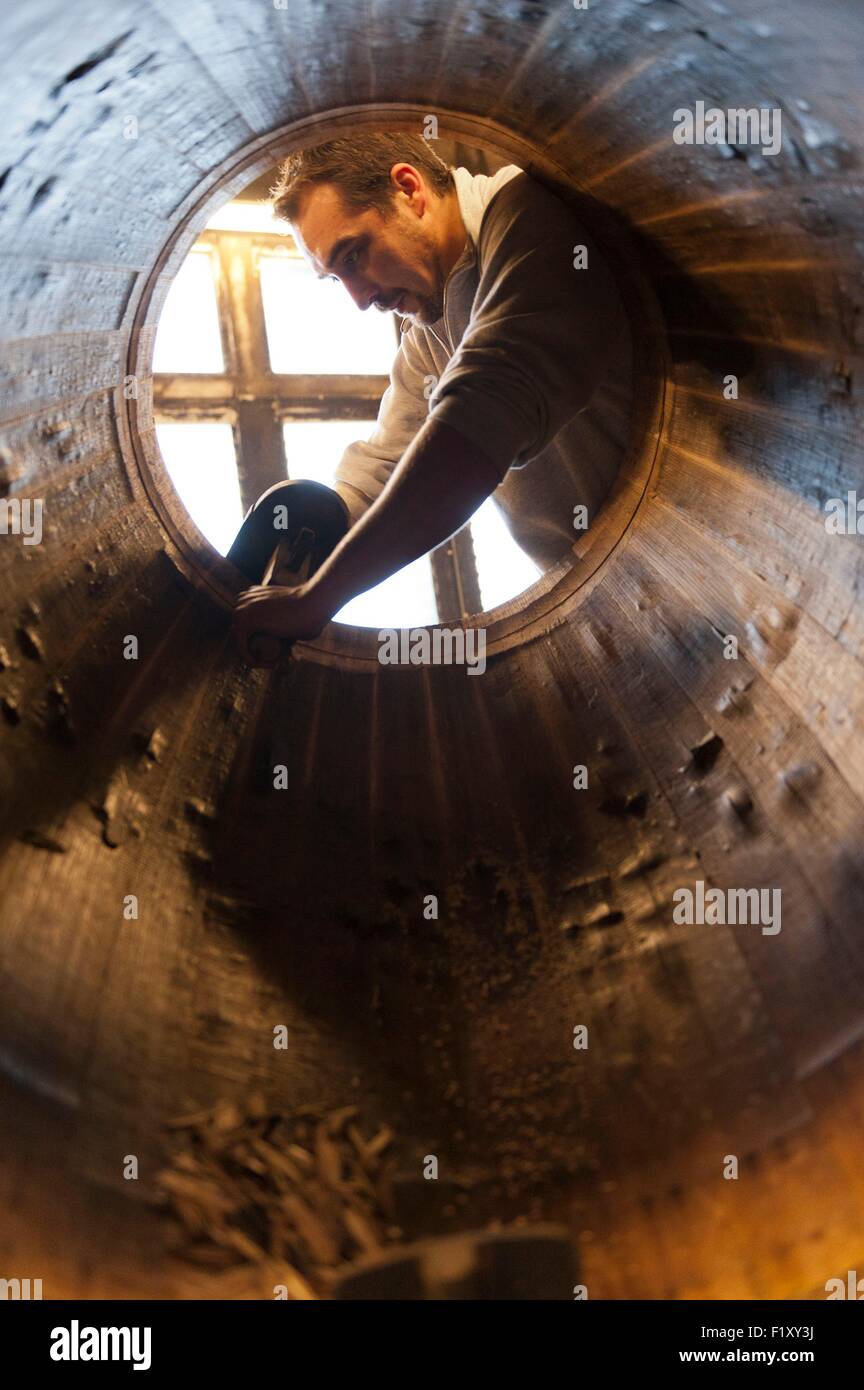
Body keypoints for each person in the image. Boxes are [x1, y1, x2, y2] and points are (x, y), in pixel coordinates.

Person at [233, 134, 633, 663]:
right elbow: (386, 462)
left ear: (409, 190)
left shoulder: (528, 221)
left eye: (354, 256)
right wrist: (317, 514)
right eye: (336, 278)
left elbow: (482, 413)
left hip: (686, 566)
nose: (359, 299)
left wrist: (319, 598)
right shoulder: (430, 323)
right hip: (605, 597)